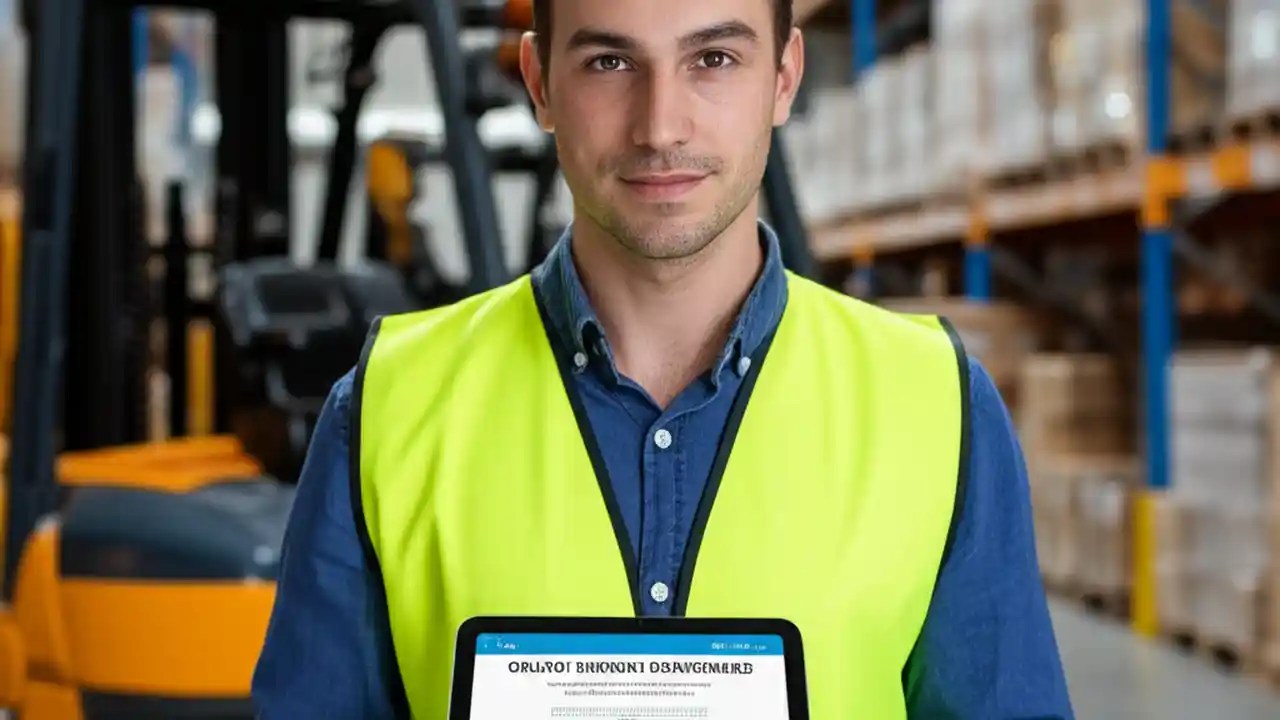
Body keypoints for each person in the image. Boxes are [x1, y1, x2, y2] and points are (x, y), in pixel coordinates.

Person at [251, 0, 1074, 716]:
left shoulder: (933, 404)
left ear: (783, 77)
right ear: (539, 83)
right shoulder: (388, 406)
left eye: (713, 59)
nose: (660, 127)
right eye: (609, 62)